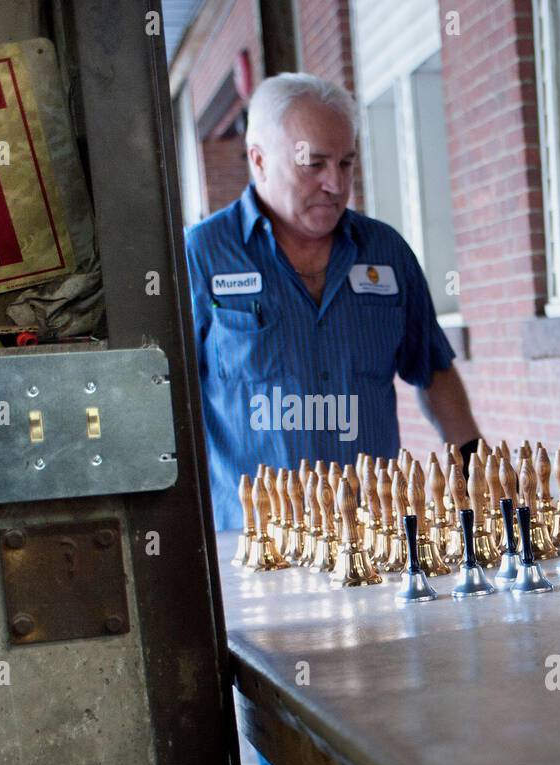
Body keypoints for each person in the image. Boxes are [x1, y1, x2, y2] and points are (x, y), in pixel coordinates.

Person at [184, 72, 482, 536]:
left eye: (345, 163)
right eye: (313, 164)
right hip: (259, 545)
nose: (334, 183)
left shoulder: (385, 252)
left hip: (376, 535)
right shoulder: (201, 257)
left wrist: (478, 478)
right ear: (259, 161)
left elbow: (434, 369)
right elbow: (167, 403)